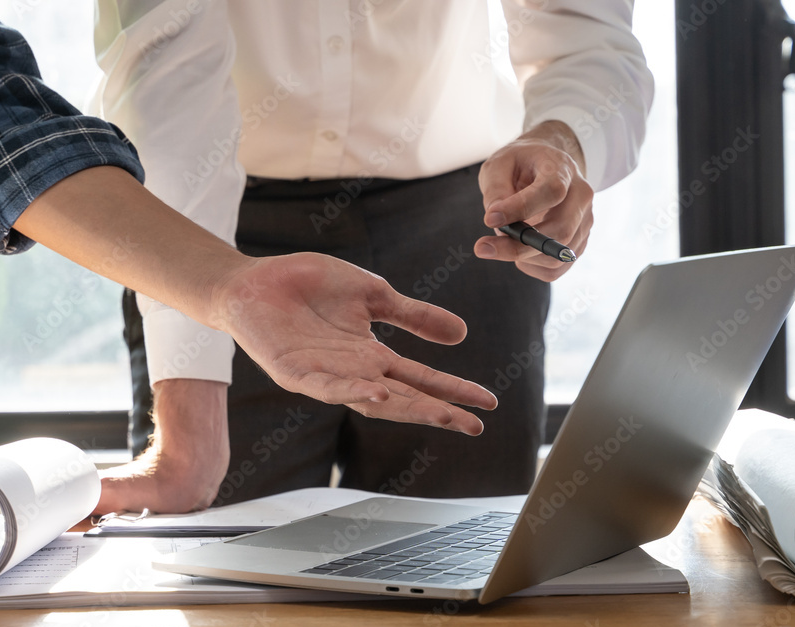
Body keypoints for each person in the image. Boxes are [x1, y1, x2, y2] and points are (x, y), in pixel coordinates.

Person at [0, 0, 497, 491]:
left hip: (455, 197)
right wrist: (215, 317)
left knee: (472, 569)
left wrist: (228, 290)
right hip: (219, 212)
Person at [90, 0, 654, 513]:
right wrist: (189, 428)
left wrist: (560, 142)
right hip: (216, 228)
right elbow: (166, 81)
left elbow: (582, 31)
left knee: (464, 563)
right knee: (219, 562)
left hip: (467, 223)